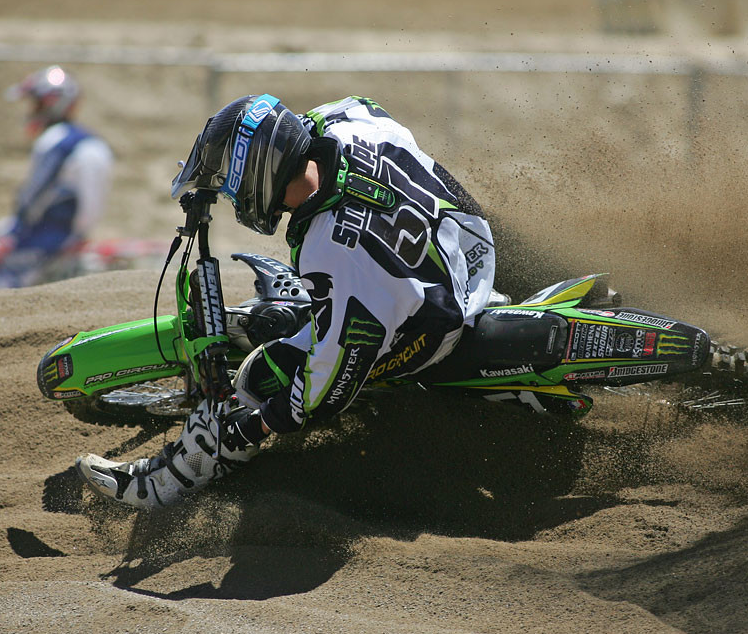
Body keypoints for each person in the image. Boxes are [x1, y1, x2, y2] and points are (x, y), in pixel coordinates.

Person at [77, 94, 503, 509]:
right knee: (295, 314)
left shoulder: (331, 253)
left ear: (260, 171)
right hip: (469, 246)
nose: (232, 192)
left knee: (260, 377)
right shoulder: (352, 124)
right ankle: (322, 317)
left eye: (233, 181)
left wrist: (254, 426)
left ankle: (185, 472)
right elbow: (324, 116)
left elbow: (325, 390)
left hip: (433, 326)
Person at [0, 65, 113, 288]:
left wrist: (14, 232)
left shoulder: (54, 141)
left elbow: (32, 199)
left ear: (50, 103)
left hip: (50, 238)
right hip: (70, 234)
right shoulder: (89, 141)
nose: (32, 111)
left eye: (36, 104)